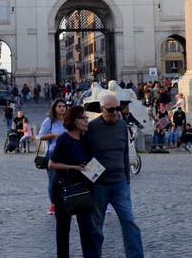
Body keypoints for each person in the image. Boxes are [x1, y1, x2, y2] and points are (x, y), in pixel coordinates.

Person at [87, 91, 144, 258]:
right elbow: (86, 155)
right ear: (101, 109)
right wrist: (92, 180)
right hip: (99, 185)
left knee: (129, 222)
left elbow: (125, 154)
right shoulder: (92, 127)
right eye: (110, 110)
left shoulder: (122, 126)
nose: (114, 113)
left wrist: (127, 181)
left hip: (120, 183)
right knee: (96, 225)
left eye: (117, 109)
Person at [48, 105, 97, 258]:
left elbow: (90, 162)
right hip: (64, 189)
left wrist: (98, 177)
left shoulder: (86, 138)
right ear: (75, 121)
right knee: (63, 229)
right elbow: (51, 164)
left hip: (83, 189)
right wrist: (73, 167)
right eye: (84, 118)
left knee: (87, 228)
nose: (86, 121)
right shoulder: (64, 139)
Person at [38, 97, 67, 215]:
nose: (62, 108)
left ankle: (66, 201)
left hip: (67, 153)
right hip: (52, 153)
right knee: (53, 180)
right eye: (59, 106)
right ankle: (53, 204)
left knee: (66, 179)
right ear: (54, 108)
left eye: (64, 106)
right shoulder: (49, 121)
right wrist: (54, 135)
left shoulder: (69, 120)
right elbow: (40, 136)